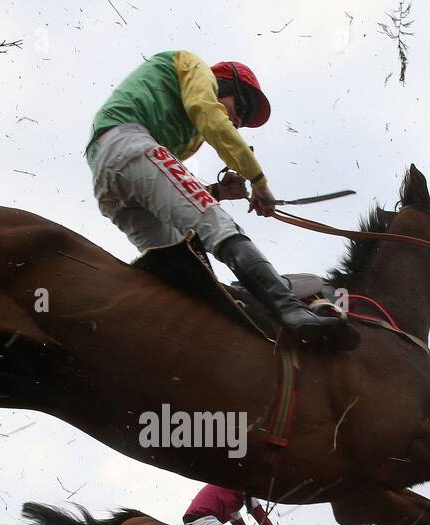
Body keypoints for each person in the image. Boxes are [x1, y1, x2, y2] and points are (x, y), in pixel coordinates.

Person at [85, 51, 358, 350]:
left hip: (109, 179)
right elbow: (210, 116)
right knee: (216, 223)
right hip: (127, 143)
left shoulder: (182, 125)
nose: (237, 120)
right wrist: (258, 181)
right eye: (241, 107)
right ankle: (290, 311)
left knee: (189, 271)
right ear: (225, 83)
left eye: (240, 121)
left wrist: (218, 191)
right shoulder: (194, 67)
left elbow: (160, 186)